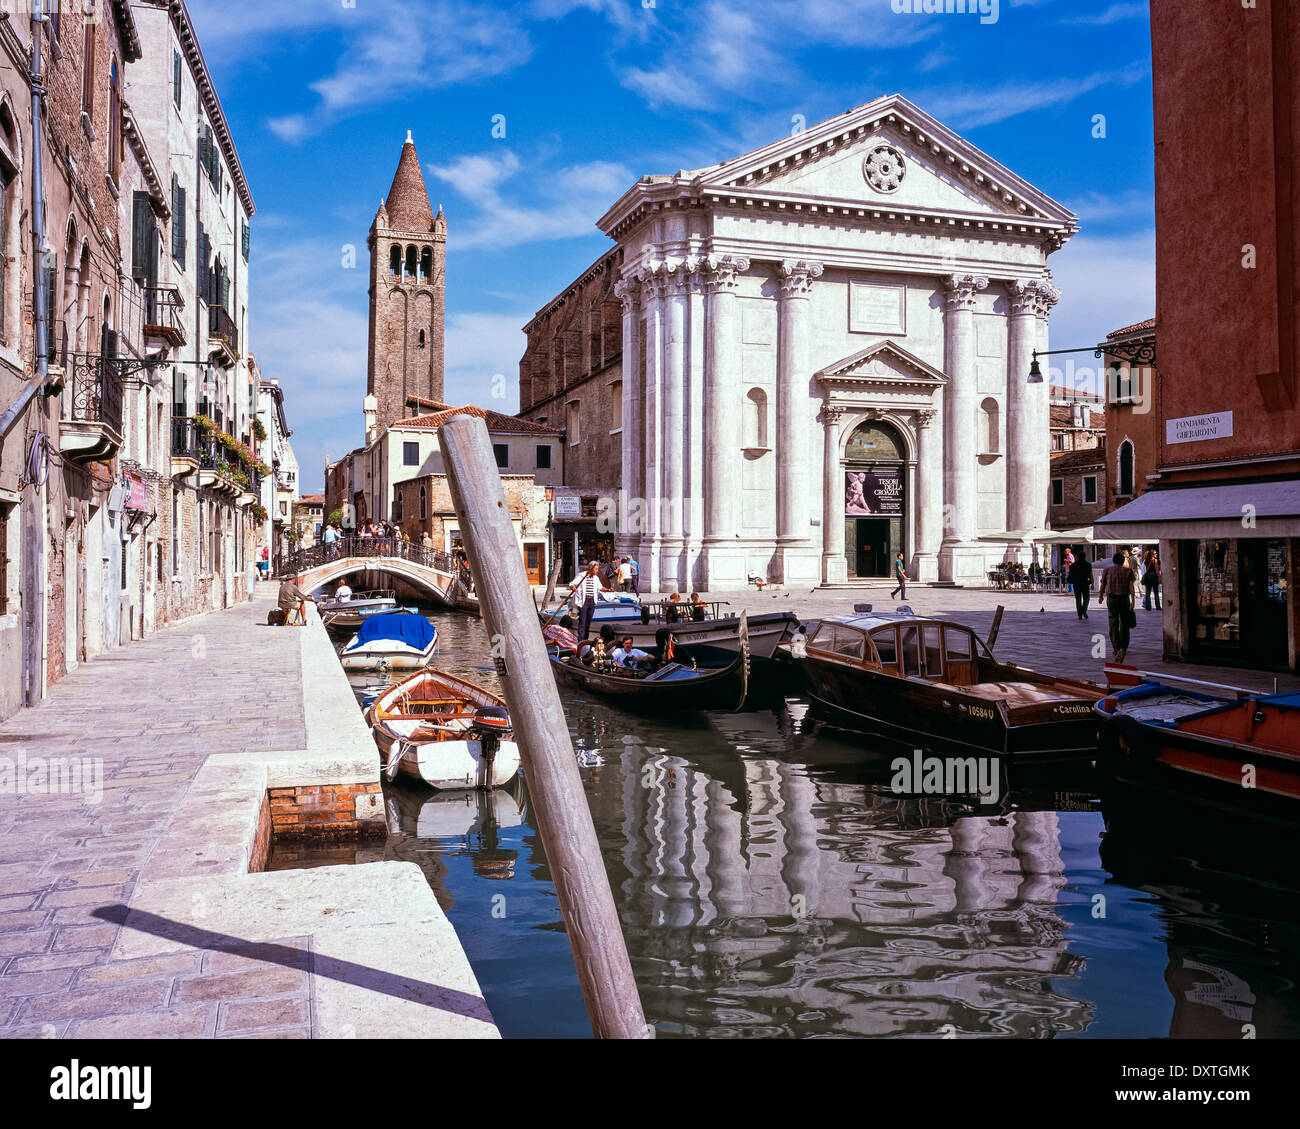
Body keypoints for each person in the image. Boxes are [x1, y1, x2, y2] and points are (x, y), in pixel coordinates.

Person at [1098, 550, 1137, 662]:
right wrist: (1133, 601)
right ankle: (1124, 646)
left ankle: (1116, 647)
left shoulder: (1107, 570)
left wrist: (1100, 596)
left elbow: (1103, 585)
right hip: (1124, 598)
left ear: (1114, 561)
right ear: (1123, 560)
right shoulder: (1128, 571)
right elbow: (1131, 587)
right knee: (1124, 623)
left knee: (1113, 622)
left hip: (1111, 598)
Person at [568, 561, 606, 639]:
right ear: (591, 568)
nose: (597, 570)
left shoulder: (596, 578)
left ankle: (586, 638)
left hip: (592, 601)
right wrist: (573, 587)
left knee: (588, 621)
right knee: (583, 620)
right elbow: (572, 584)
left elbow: (601, 588)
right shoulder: (582, 576)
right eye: (596, 569)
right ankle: (581, 639)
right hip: (584, 601)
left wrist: (609, 590)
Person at [1067, 548, 1093, 620]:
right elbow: (1091, 575)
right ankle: (1084, 611)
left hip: (1076, 583)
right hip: (1085, 583)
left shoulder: (1073, 565)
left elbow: (1071, 575)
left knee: (1078, 598)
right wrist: (1093, 584)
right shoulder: (1088, 565)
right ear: (1085, 556)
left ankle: (1079, 614)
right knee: (1086, 598)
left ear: (1077, 557)